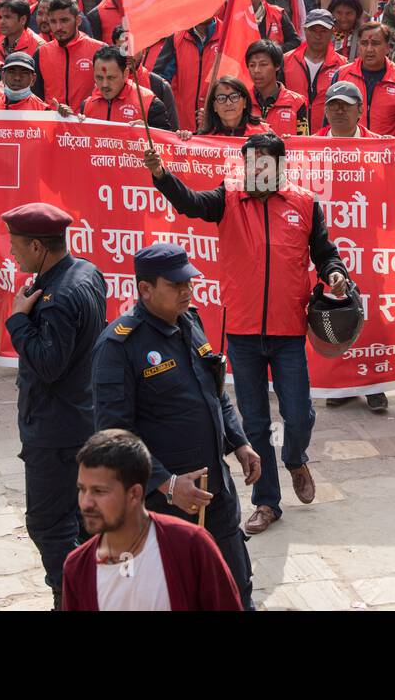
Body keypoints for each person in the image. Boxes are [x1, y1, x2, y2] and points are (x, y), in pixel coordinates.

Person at [145, 134, 349, 536]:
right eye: (249, 163)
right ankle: (267, 503)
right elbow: (189, 202)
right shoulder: (229, 198)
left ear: (280, 166)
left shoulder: (305, 203)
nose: (254, 170)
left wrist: (336, 274)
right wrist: (161, 174)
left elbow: (325, 253)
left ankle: (295, 457)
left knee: (299, 413)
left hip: (289, 329)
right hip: (241, 330)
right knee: (254, 423)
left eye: (262, 164)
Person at [92, 243, 264, 606]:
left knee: (236, 590)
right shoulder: (119, 346)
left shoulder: (190, 322)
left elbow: (215, 394)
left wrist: (240, 442)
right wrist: (167, 484)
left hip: (216, 492)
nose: (187, 291)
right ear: (145, 289)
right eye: (176, 285)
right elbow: (114, 438)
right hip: (166, 507)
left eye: (189, 283)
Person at [1, 202, 107, 610]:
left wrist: (18, 320)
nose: (12, 253)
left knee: (47, 523)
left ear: (37, 247)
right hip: (84, 417)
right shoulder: (88, 272)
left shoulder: (58, 296)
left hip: (54, 428)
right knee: (82, 519)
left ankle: (69, 595)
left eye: (15, 246)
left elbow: (47, 364)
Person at [62, 429, 243, 611]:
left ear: (134, 493)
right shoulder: (77, 568)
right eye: (82, 489)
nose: (85, 503)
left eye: (99, 491)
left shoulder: (191, 546)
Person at [332, 21, 395, 137]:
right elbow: (329, 119)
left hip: (387, 152)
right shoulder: (341, 75)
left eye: (375, 43)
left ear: (388, 47)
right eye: (364, 43)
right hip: (350, 151)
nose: (369, 49)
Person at [74, 45, 173, 129]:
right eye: (99, 78)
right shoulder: (87, 105)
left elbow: (168, 145)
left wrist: (150, 133)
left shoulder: (149, 104)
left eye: (111, 78)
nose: (104, 84)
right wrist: (72, 123)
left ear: (125, 74)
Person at [34, 0, 103, 111]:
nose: (58, 27)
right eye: (53, 21)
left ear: (78, 20)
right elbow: (36, 97)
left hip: (87, 123)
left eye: (64, 20)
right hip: (53, 124)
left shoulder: (99, 50)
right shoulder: (41, 53)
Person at [284, 9, 345, 131]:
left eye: (323, 31)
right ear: (305, 31)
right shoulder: (285, 61)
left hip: (326, 138)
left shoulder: (343, 65)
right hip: (291, 135)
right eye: (313, 30)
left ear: (333, 32)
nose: (318, 36)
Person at [245, 39, 307, 136]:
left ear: (277, 66)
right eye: (252, 65)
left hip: (284, 151)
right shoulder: (242, 100)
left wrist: (288, 143)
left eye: (263, 64)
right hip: (250, 151)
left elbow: (303, 144)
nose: (256, 70)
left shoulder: (297, 102)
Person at [315, 80, 388, 138]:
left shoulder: (378, 146)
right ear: (326, 111)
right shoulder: (311, 147)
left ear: (360, 110)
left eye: (346, 105)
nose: (340, 111)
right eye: (334, 106)